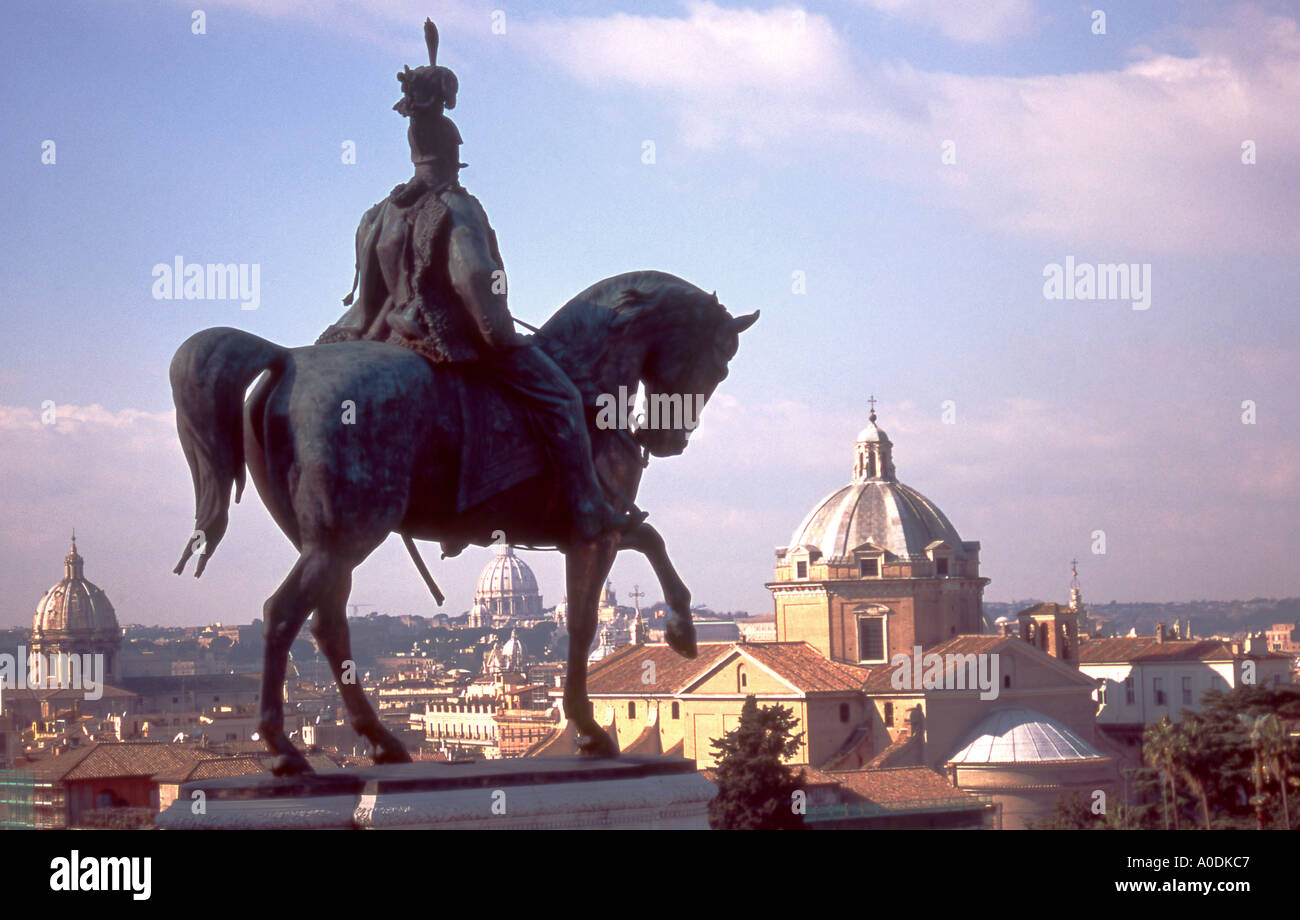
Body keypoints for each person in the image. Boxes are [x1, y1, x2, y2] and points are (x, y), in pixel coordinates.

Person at [318, 20, 640, 542]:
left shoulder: (379, 214)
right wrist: (502, 335)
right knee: (561, 399)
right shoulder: (457, 207)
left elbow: (364, 302)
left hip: (390, 335)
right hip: (447, 342)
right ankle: (587, 508)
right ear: (451, 155)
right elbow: (478, 286)